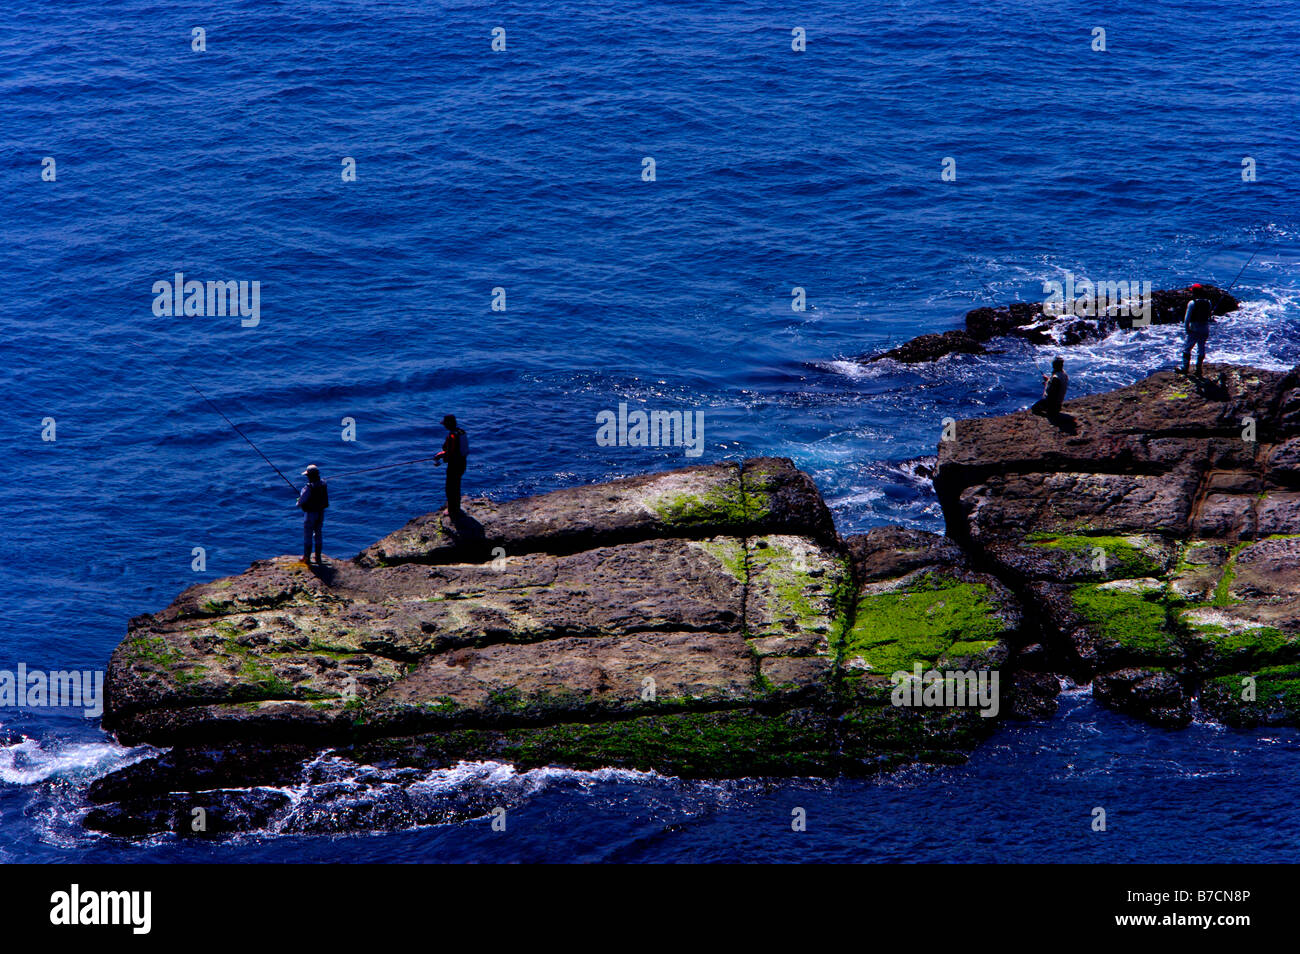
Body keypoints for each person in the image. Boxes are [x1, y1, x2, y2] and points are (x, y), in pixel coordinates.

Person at [433, 414, 468, 516]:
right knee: (456, 486)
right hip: (462, 463)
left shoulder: (452, 436)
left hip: (455, 465)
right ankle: (456, 507)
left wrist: (440, 456)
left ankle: (452, 510)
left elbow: (451, 453)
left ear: (448, 424)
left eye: (445, 424)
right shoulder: (461, 432)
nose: (444, 426)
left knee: (450, 488)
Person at [297, 464, 329, 564]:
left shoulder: (308, 488)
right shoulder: (323, 484)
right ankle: (318, 557)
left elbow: (300, 502)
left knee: (308, 535)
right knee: (318, 534)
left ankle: (307, 557)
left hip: (310, 514)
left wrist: (299, 499)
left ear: (310, 476)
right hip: (321, 513)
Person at [1181, 284, 1215, 376]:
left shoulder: (1192, 303)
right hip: (1205, 328)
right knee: (1201, 348)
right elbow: (1209, 315)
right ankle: (1198, 369)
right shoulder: (1208, 302)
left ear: (1194, 292)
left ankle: (1184, 368)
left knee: (1187, 348)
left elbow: (1187, 319)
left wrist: (1187, 329)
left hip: (1194, 328)